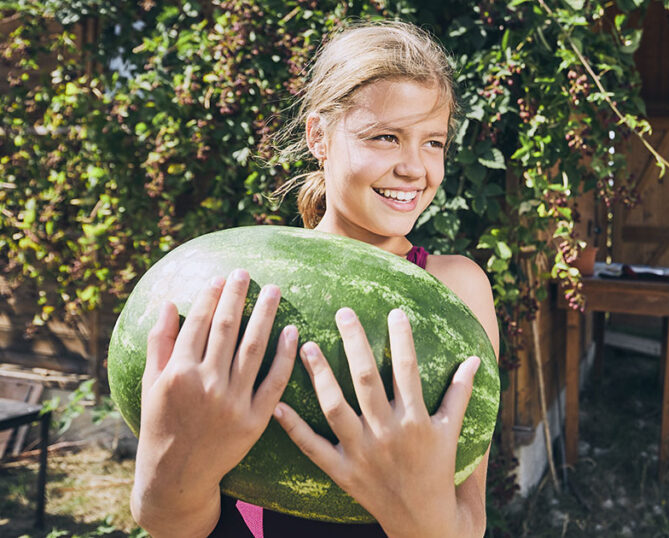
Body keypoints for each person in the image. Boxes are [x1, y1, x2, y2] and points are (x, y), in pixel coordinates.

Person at [128, 21, 499, 538]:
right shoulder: (248, 287)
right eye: (385, 137)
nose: (415, 168)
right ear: (318, 136)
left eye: (433, 142)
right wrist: (166, 466)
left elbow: (467, 521)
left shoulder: (458, 289)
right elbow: (166, 516)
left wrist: (413, 503)